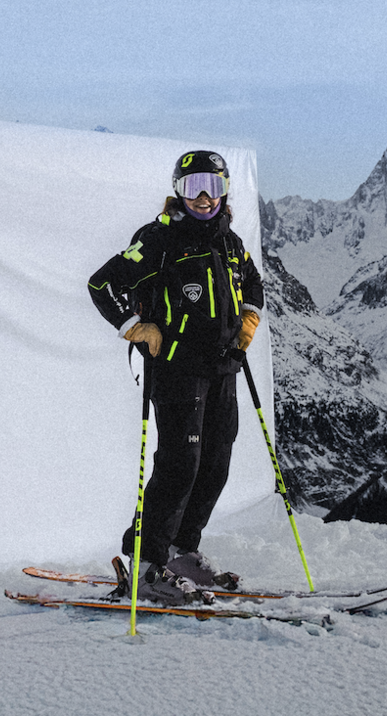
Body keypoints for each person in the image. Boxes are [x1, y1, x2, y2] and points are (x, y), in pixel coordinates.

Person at [87, 150, 264, 603]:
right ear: (178, 191)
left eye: (213, 186)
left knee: (215, 464)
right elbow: (103, 283)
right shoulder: (159, 239)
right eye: (192, 187)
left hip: (223, 367)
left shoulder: (230, 241)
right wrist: (134, 327)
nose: (203, 197)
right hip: (178, 370)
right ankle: (147, 565)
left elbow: (253, 284)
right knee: (178, 467)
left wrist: (248, 318)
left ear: (225, 190)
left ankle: (184, 552)